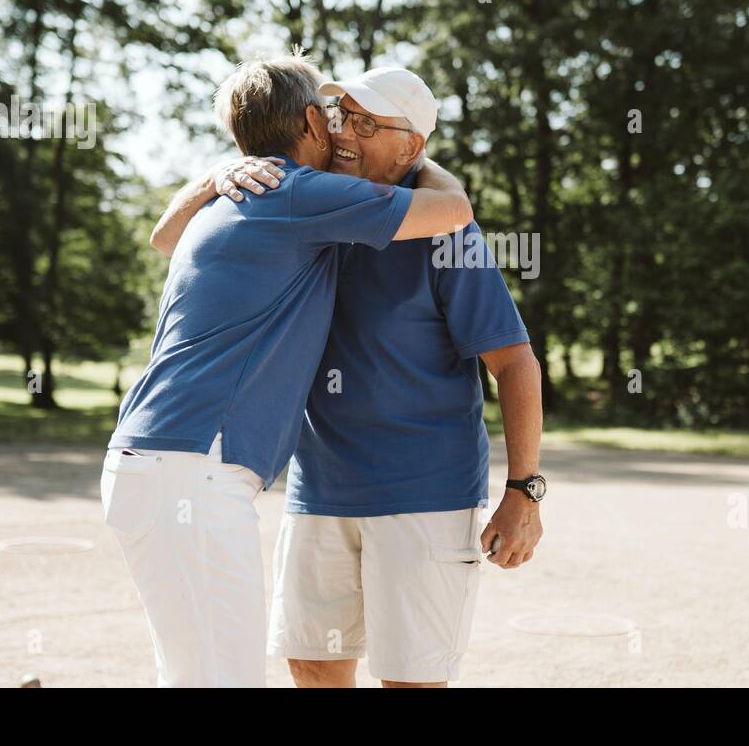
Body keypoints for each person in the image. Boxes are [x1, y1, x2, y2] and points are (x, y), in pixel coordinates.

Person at [154, 66, 545, 688]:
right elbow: (167, 238)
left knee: (409, 681)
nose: (343, 132)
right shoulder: (301, 205)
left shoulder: (447, 230)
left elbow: (514, 362)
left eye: (367, 122)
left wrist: (525, 490)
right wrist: (214, 176)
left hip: (424, 495)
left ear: (410, 147)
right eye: (339, 115)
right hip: (318, 490)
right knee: (311, 667)